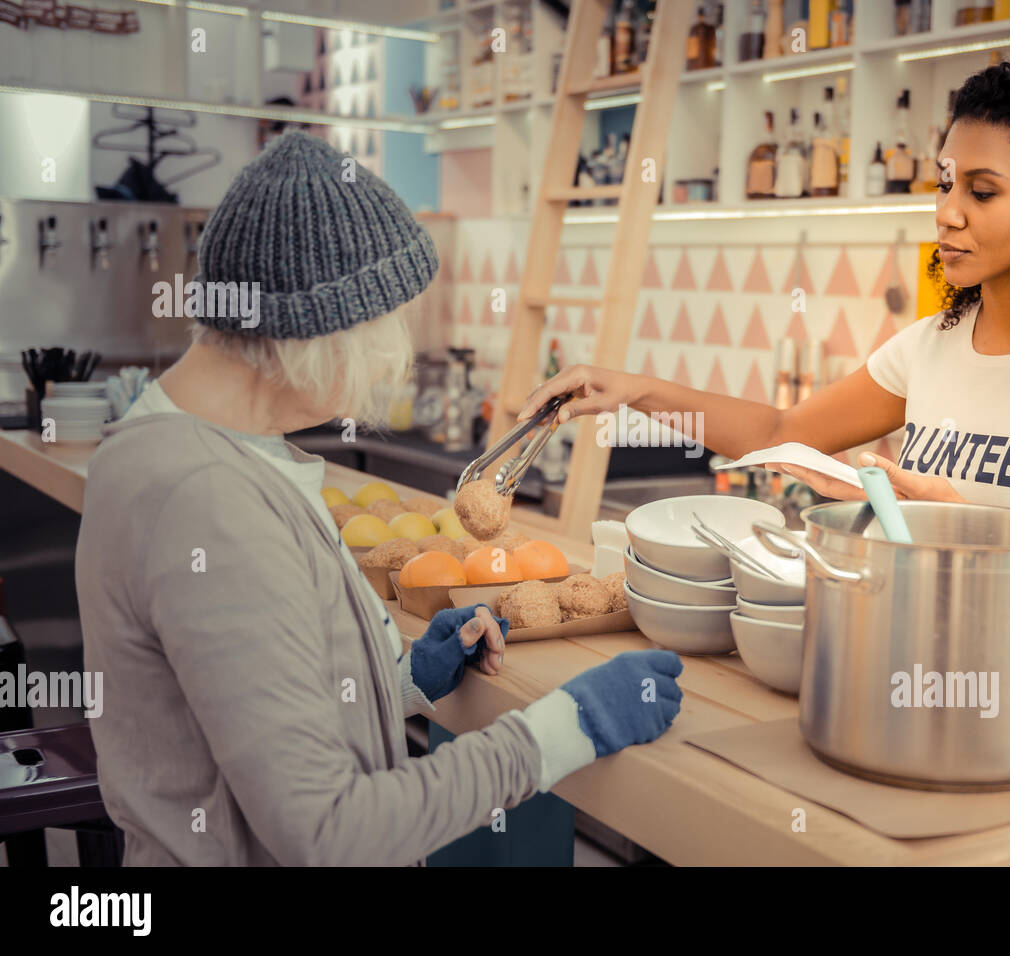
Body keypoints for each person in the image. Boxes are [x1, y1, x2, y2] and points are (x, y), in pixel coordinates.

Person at [74, 132, 683, 866]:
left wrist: (397, 681)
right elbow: (331, 831)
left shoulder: (163, 446)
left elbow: (248, 717)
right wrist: (570, 726)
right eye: (383, 327)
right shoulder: (209, 502)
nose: (386, 362)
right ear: (318, 333)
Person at [519, 64, 1010, 722]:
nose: (948, 214)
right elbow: (776, 433)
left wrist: (968, 529)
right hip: (939, 715)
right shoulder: (929, 347)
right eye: (946, 183)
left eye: (982, 193)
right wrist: (633, 390)